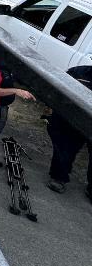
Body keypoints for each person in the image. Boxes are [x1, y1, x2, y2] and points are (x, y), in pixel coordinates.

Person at [45, 65, 92, 200]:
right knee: (65, 149)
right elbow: (58, 88)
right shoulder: (78, 72)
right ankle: (59, 178)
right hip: (73, 120)